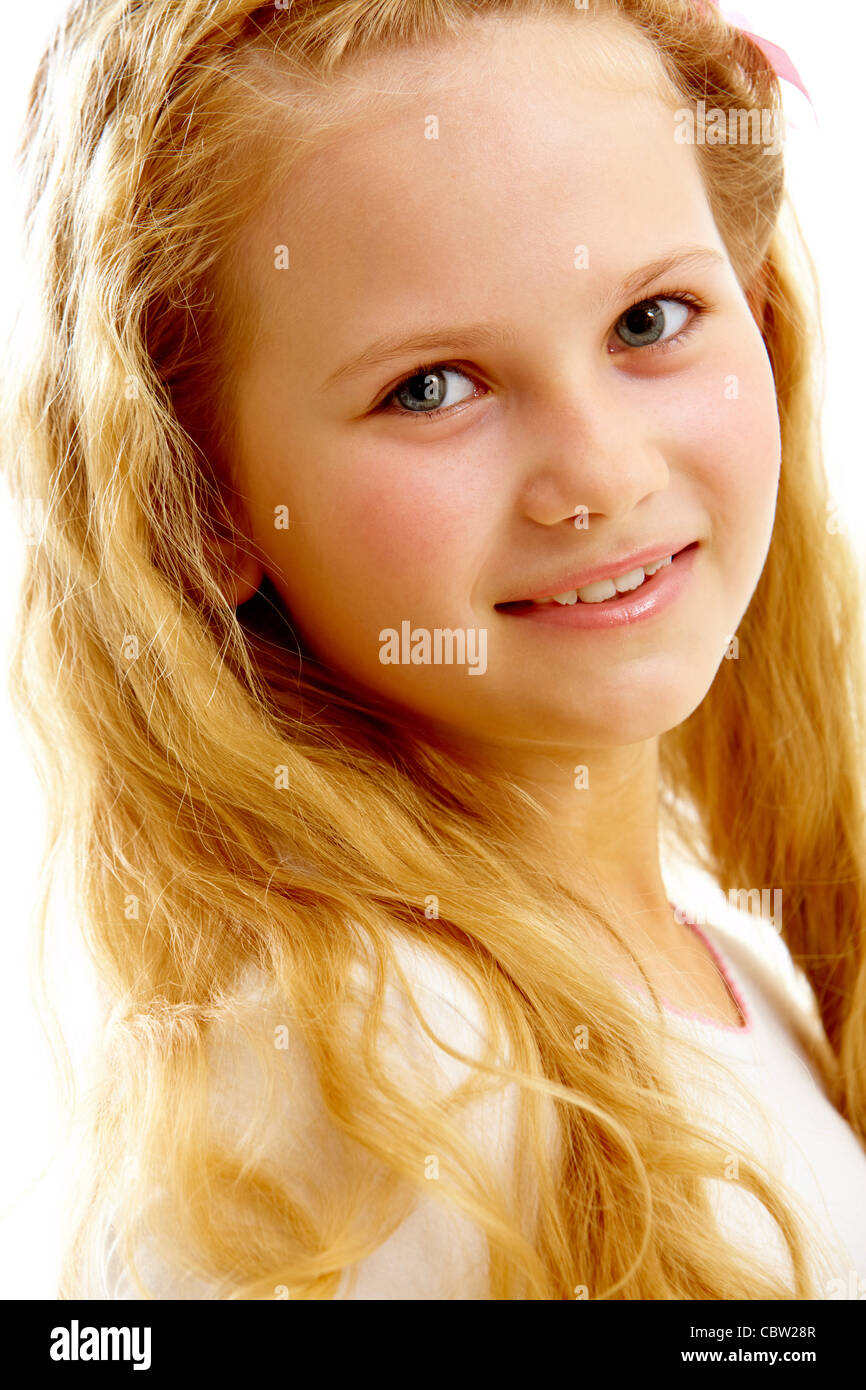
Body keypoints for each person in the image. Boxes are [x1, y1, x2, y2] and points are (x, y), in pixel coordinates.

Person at [4, 0, 866, 1300]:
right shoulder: (375, 1071)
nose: (600, 475)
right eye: (430, 387)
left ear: (758, 315)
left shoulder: (733, 978)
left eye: (649, 320)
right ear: (206, 506)